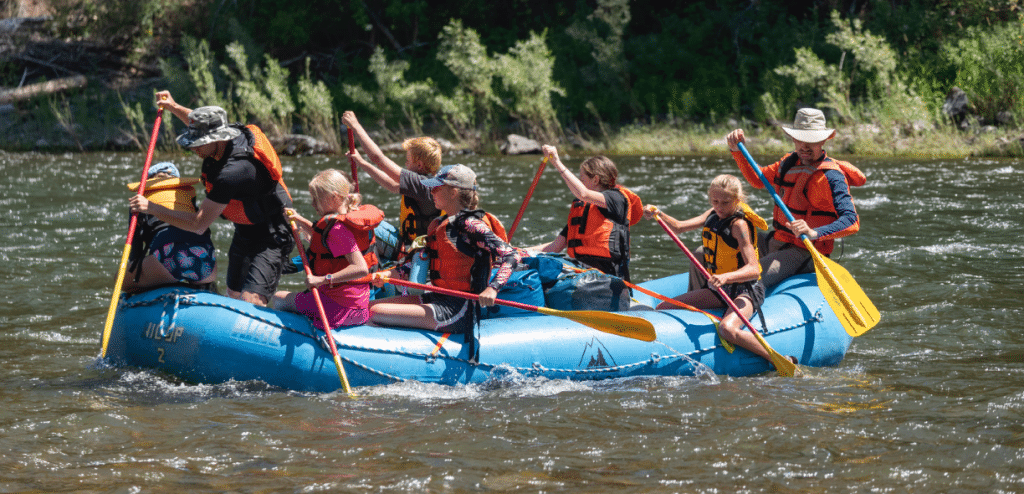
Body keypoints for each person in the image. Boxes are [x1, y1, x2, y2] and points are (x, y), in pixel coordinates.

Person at [129, 91, 295, 306]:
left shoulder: (233, 172)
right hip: (246, 228)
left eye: (199, 143)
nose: (193, 148)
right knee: (233, 294)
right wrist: (173, 106)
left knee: (250, 300)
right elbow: (201, 122)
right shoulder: (228, 134)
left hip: (273, 232)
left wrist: (151, 207)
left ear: (218, 138)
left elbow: (198, 225)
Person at [369, 165, 520, 359]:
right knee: (367, 307)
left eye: (437, 188)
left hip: (459, 309)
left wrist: (493, 288)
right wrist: (383, 275)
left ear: (454, 192)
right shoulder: (439, 225)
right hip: (437, 298)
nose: (431, 192)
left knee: (376, 312)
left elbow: (511, 255)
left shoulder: (470, 225)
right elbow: (410, 266)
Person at [647, 175, 783, 364]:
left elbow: (754, 270)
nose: (719, 207)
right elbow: (678, 227)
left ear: (737, 200)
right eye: (715, 201)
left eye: (725, 202)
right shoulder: (712, 214)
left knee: (727, 329)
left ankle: (777, 358)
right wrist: (658, 214)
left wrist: (726, 277)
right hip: (721, 290)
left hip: (747, 290)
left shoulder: (739, 225)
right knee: (663, 307)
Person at [725, 107, 866, 289]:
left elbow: (852, 221)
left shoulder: (832, 176)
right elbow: (759, 179)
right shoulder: (788, 163)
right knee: (721, 241)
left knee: (750, 279)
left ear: (823, 140)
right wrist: (737, 150)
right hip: (777, 241)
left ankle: (739, 295)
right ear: (793, 138)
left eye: (812, 140)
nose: (805, 146)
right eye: (800, 139)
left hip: (807, 252)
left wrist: (815, 233)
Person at [273, 169, 384, 329]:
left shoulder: (337, 229)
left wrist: (322, 280)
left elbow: (360, 268)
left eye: (316, 198)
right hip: (359, 305)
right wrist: (299, 220)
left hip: (340, 309)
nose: (313, 204)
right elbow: (327, 237)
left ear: (334, 197)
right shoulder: (349, 218)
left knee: (279, 298)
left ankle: (302, 331)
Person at [528, 145, 642, 281]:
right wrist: (521, 251)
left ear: (595, 180)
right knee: (538, 266)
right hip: (582, 272)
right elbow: (555, 246)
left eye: (582, 180)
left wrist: (557, 162)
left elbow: (583, 193)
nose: (579, 183)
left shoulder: (616, 198)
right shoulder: (582, 209)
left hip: (608, 277)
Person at [341, 111, 443, 256]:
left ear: (419, 165)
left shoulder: (422, 184)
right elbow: (391, 185)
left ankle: (360, 261)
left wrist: (355, 126)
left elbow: (378, 159)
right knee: (363, 216)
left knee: (362, 223)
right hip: (407, 241)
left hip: (413, 249)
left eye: (408, 160)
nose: (405, 163)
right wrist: (362, 163)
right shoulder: (425, 184)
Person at [123, 162, 217, 293]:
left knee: (121, 279)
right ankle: (206, 287)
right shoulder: (187, 195)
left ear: (149, 181)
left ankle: (159, 288)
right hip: (206, 260)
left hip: (168, 259)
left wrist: (139, 272)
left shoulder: (140, 201)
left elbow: (135, 250)